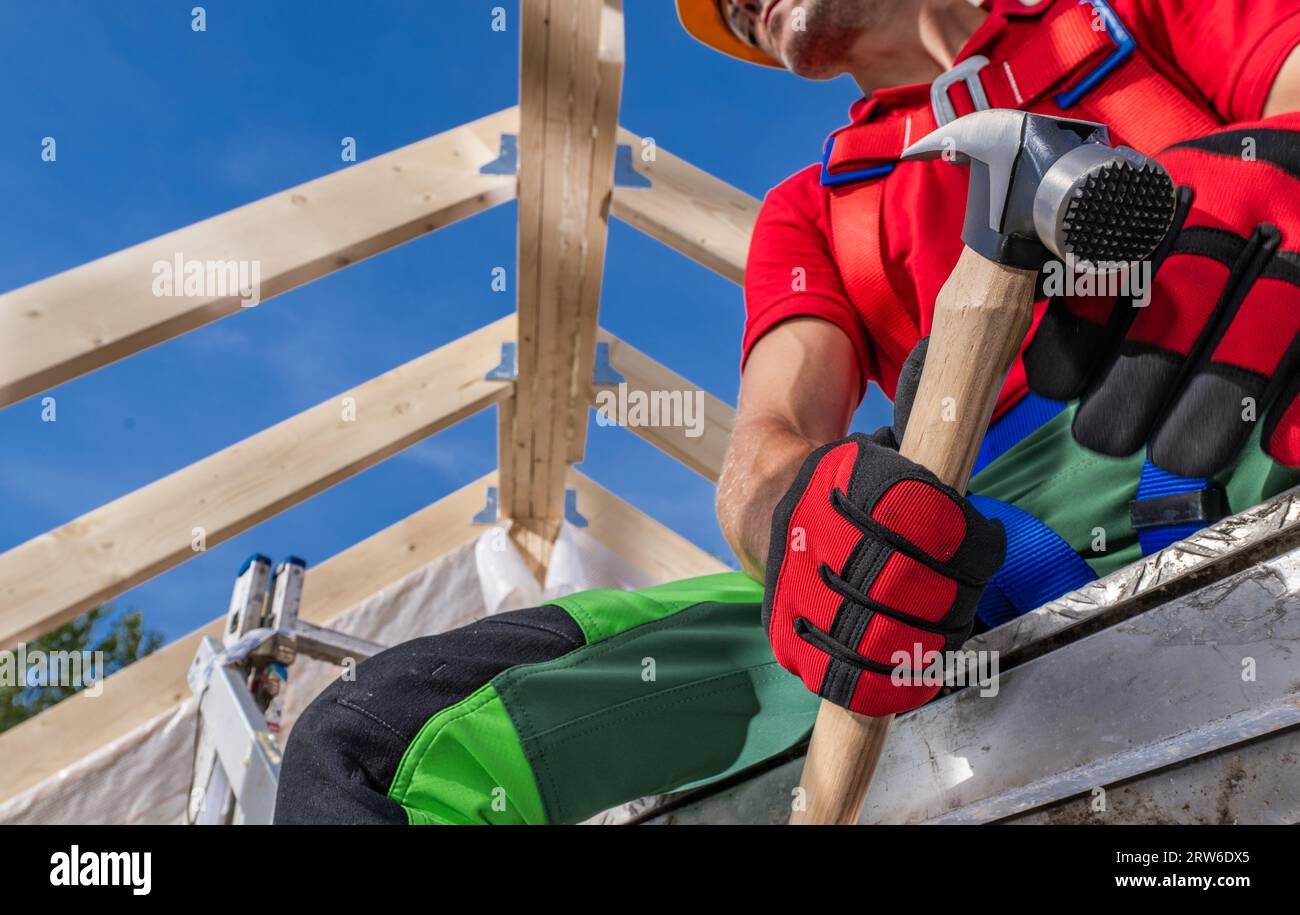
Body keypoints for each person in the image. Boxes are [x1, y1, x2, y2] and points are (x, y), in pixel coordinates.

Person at [275, 0, 1300, 823]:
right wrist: (806, 526)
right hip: (951, 551)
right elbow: (766, 450)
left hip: (1245, 404)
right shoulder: (811, 206)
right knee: (385, 741)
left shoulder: (1127, 16)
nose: (734, 6)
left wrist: (1270, 183)